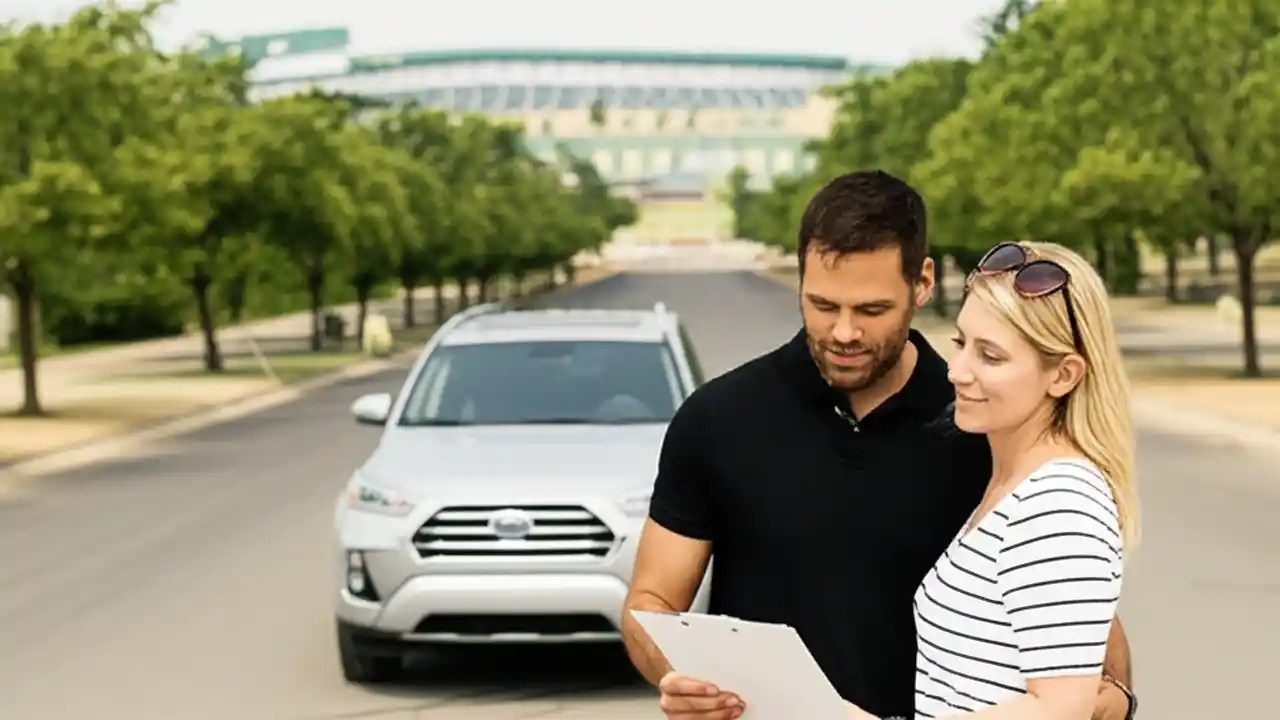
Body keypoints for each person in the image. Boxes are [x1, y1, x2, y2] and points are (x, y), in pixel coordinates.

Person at [619, 170, 1137, 720]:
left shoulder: (983, 426)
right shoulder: (717, 419)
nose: (843, 332)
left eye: (871, 311)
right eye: (822, 305)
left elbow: (1081, 643)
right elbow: (650, 605)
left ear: (922, 283)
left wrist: (1110, 702)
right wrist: (679, 676)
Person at [843, 240, 1140, 719]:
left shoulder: (1059, 503)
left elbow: (1060, 709)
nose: (957, 371)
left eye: (991, 357)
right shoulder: (1011, 488)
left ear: (1063, 375)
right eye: (961, 343)